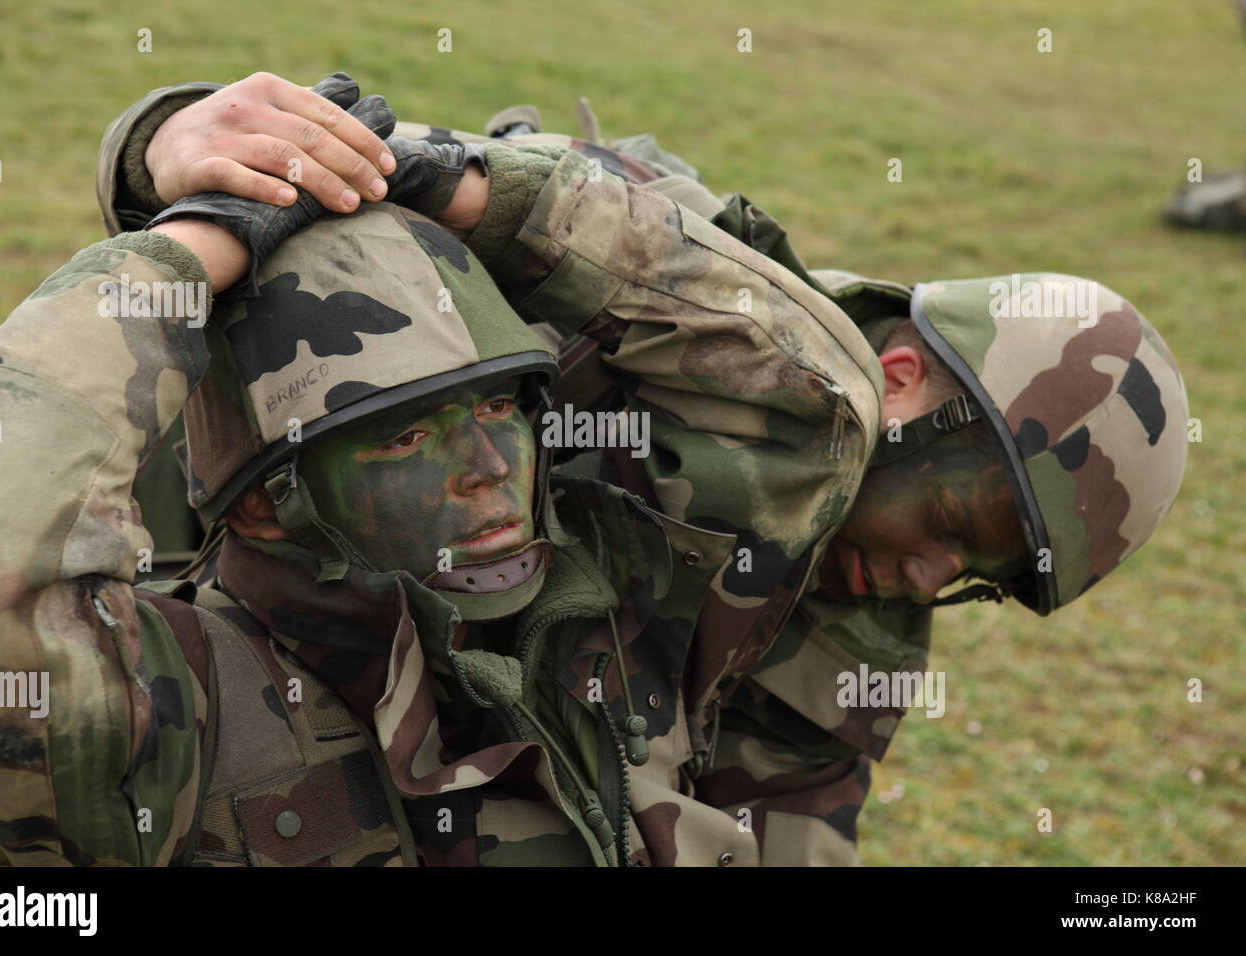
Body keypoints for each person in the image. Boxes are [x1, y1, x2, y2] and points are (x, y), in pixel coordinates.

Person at [90, 71, 1193, 857]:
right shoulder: (608, 266)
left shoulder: (863, 594)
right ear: (901, 377)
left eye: (977, 575)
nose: (925, 578)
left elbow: (791, 819)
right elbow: (258, 179)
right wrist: (164, 133)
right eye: (960, 522)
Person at [0, 89, 895, 865]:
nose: (489, 473)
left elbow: (811, 396)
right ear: (271, 500)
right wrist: (174, 260)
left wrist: (500, 203)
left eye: (498, 411)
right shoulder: (184, 715)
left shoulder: (615, 601)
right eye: (401, 442)